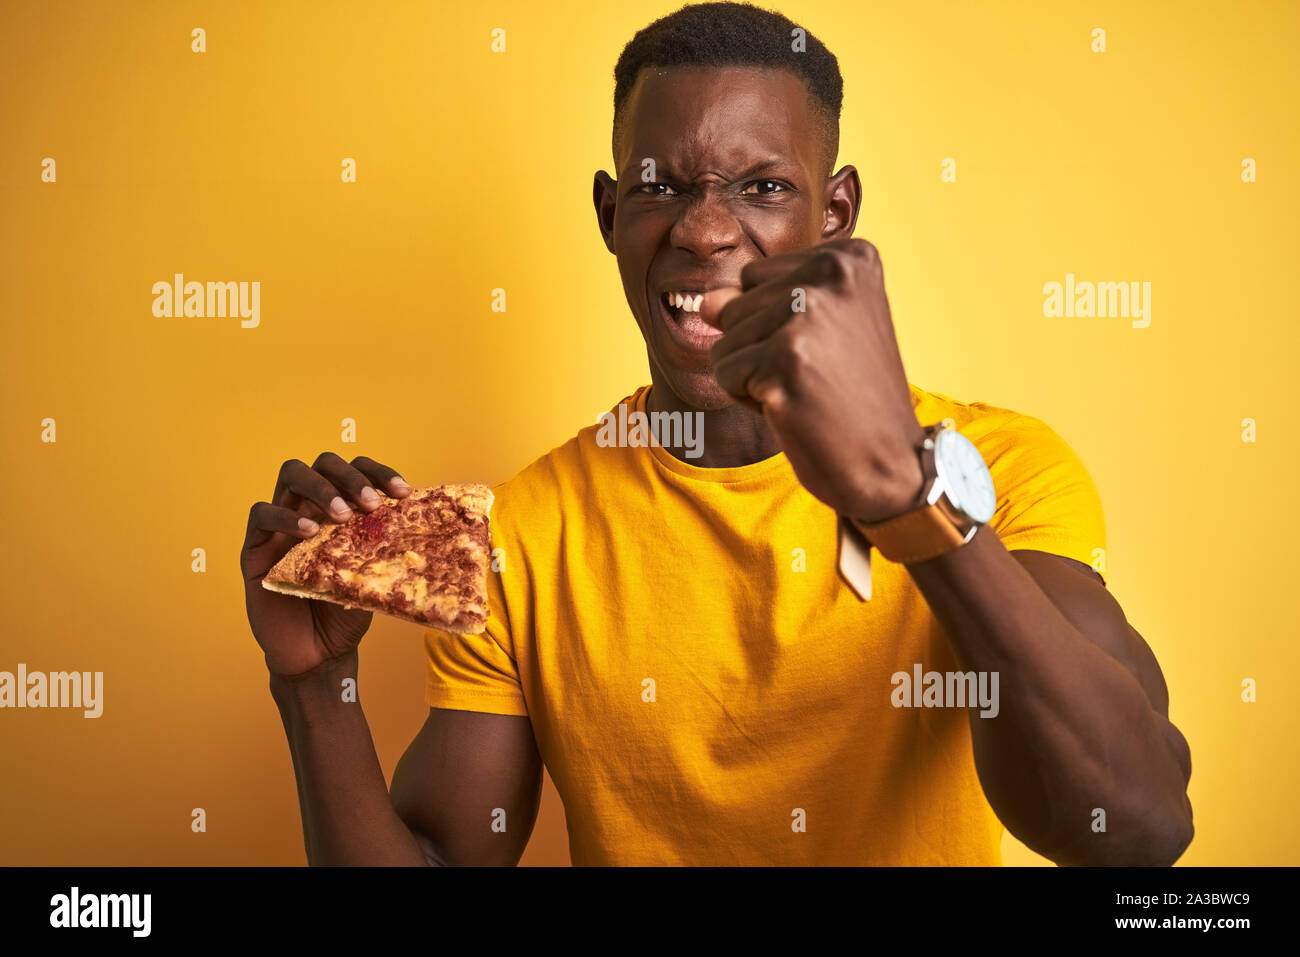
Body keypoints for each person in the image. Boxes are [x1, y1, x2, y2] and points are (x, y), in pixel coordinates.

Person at [240, 1, 1192, 866]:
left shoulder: (1001, 469)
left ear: (837, 213)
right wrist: (317, 686)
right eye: (661, 189)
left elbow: (1137, 828)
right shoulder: (519, 539)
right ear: (613, 216)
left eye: (764, 188)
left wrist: (908, 494)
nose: (702, 231)